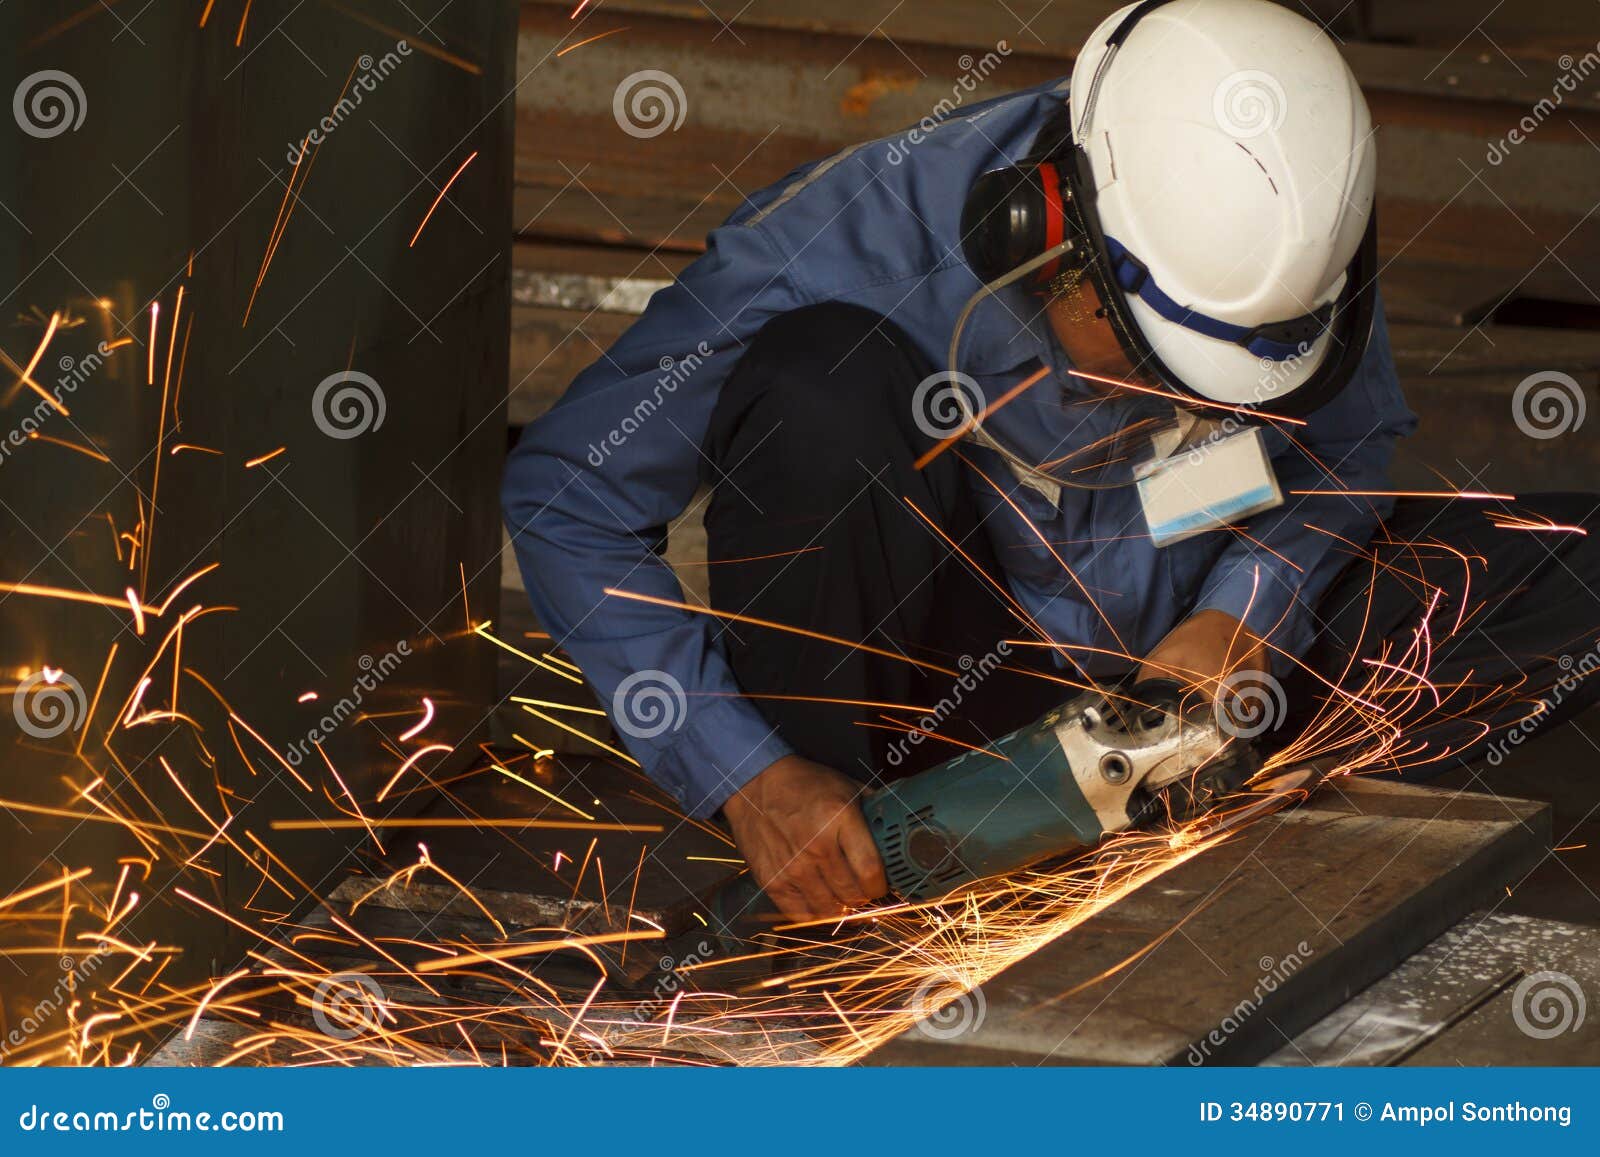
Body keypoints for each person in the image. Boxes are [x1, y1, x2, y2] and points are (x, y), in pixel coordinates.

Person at [503, 0, 1600, 922]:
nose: (1188, 411)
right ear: (1046, 229)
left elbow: (1351, 443)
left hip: (1200, 678)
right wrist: (744, 774)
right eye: (1154, 367)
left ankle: (1199, 811)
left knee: (1556, 561)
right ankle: (843, 879)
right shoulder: (854, 236)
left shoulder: (1279, 246)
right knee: (818, 386)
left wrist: (1244, 613)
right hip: (941, 696)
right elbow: (564, 496)